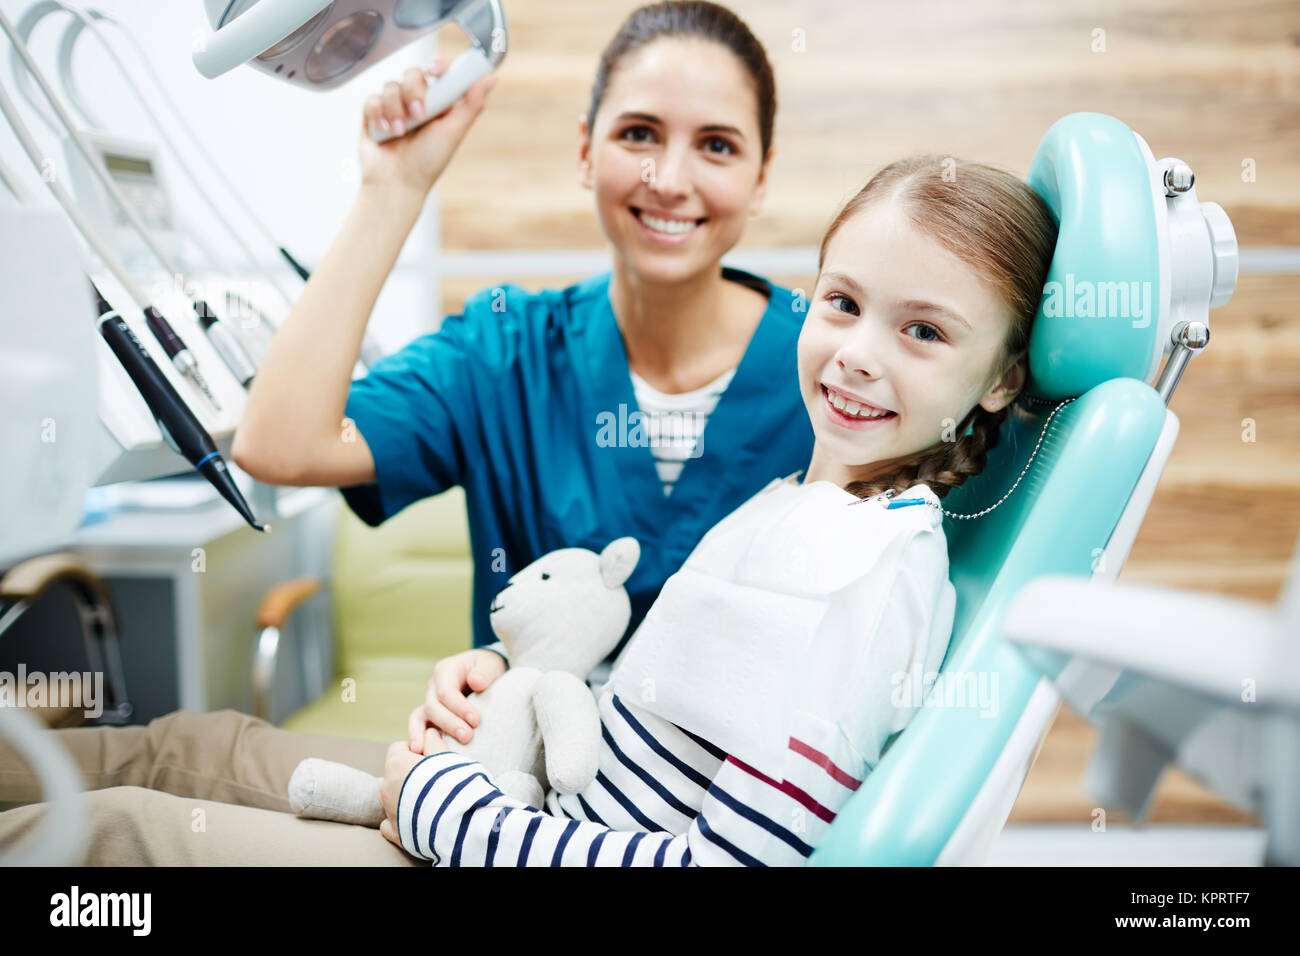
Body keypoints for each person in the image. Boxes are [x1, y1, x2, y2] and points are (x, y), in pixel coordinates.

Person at [0, 152, 1059, 865]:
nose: (859, 353)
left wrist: (449, 810)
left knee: (127, 829)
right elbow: (660, 730)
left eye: (924, 333)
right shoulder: (802, 504)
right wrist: (525, 678)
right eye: (842, 302)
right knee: (199, 744)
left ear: (1002, 379)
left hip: (495, 834)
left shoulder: (861, 578)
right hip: (525, 800)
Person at [232, 1, 814, 755]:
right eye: (638, 134)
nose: (669, 179)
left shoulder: (826, 370)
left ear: (761, 176)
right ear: (585, 151)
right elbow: (279, 444)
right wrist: (393, 188)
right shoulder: (504, 348)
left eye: (717, 145)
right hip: (519, 809)